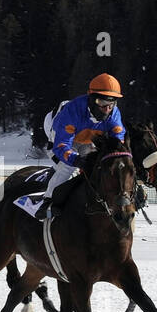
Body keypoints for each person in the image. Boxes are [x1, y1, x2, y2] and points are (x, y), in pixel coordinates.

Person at [42, 73, 127, 215]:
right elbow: (61, 146)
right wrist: (76, 159)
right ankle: (48, 201)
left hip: (86, 136)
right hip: (58, 129)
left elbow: (118, 142)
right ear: (91, 98)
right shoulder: (72, 111)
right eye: (102, 103)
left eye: (111, 104)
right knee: (68, 166)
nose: (107, 109)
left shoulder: (114, 114)